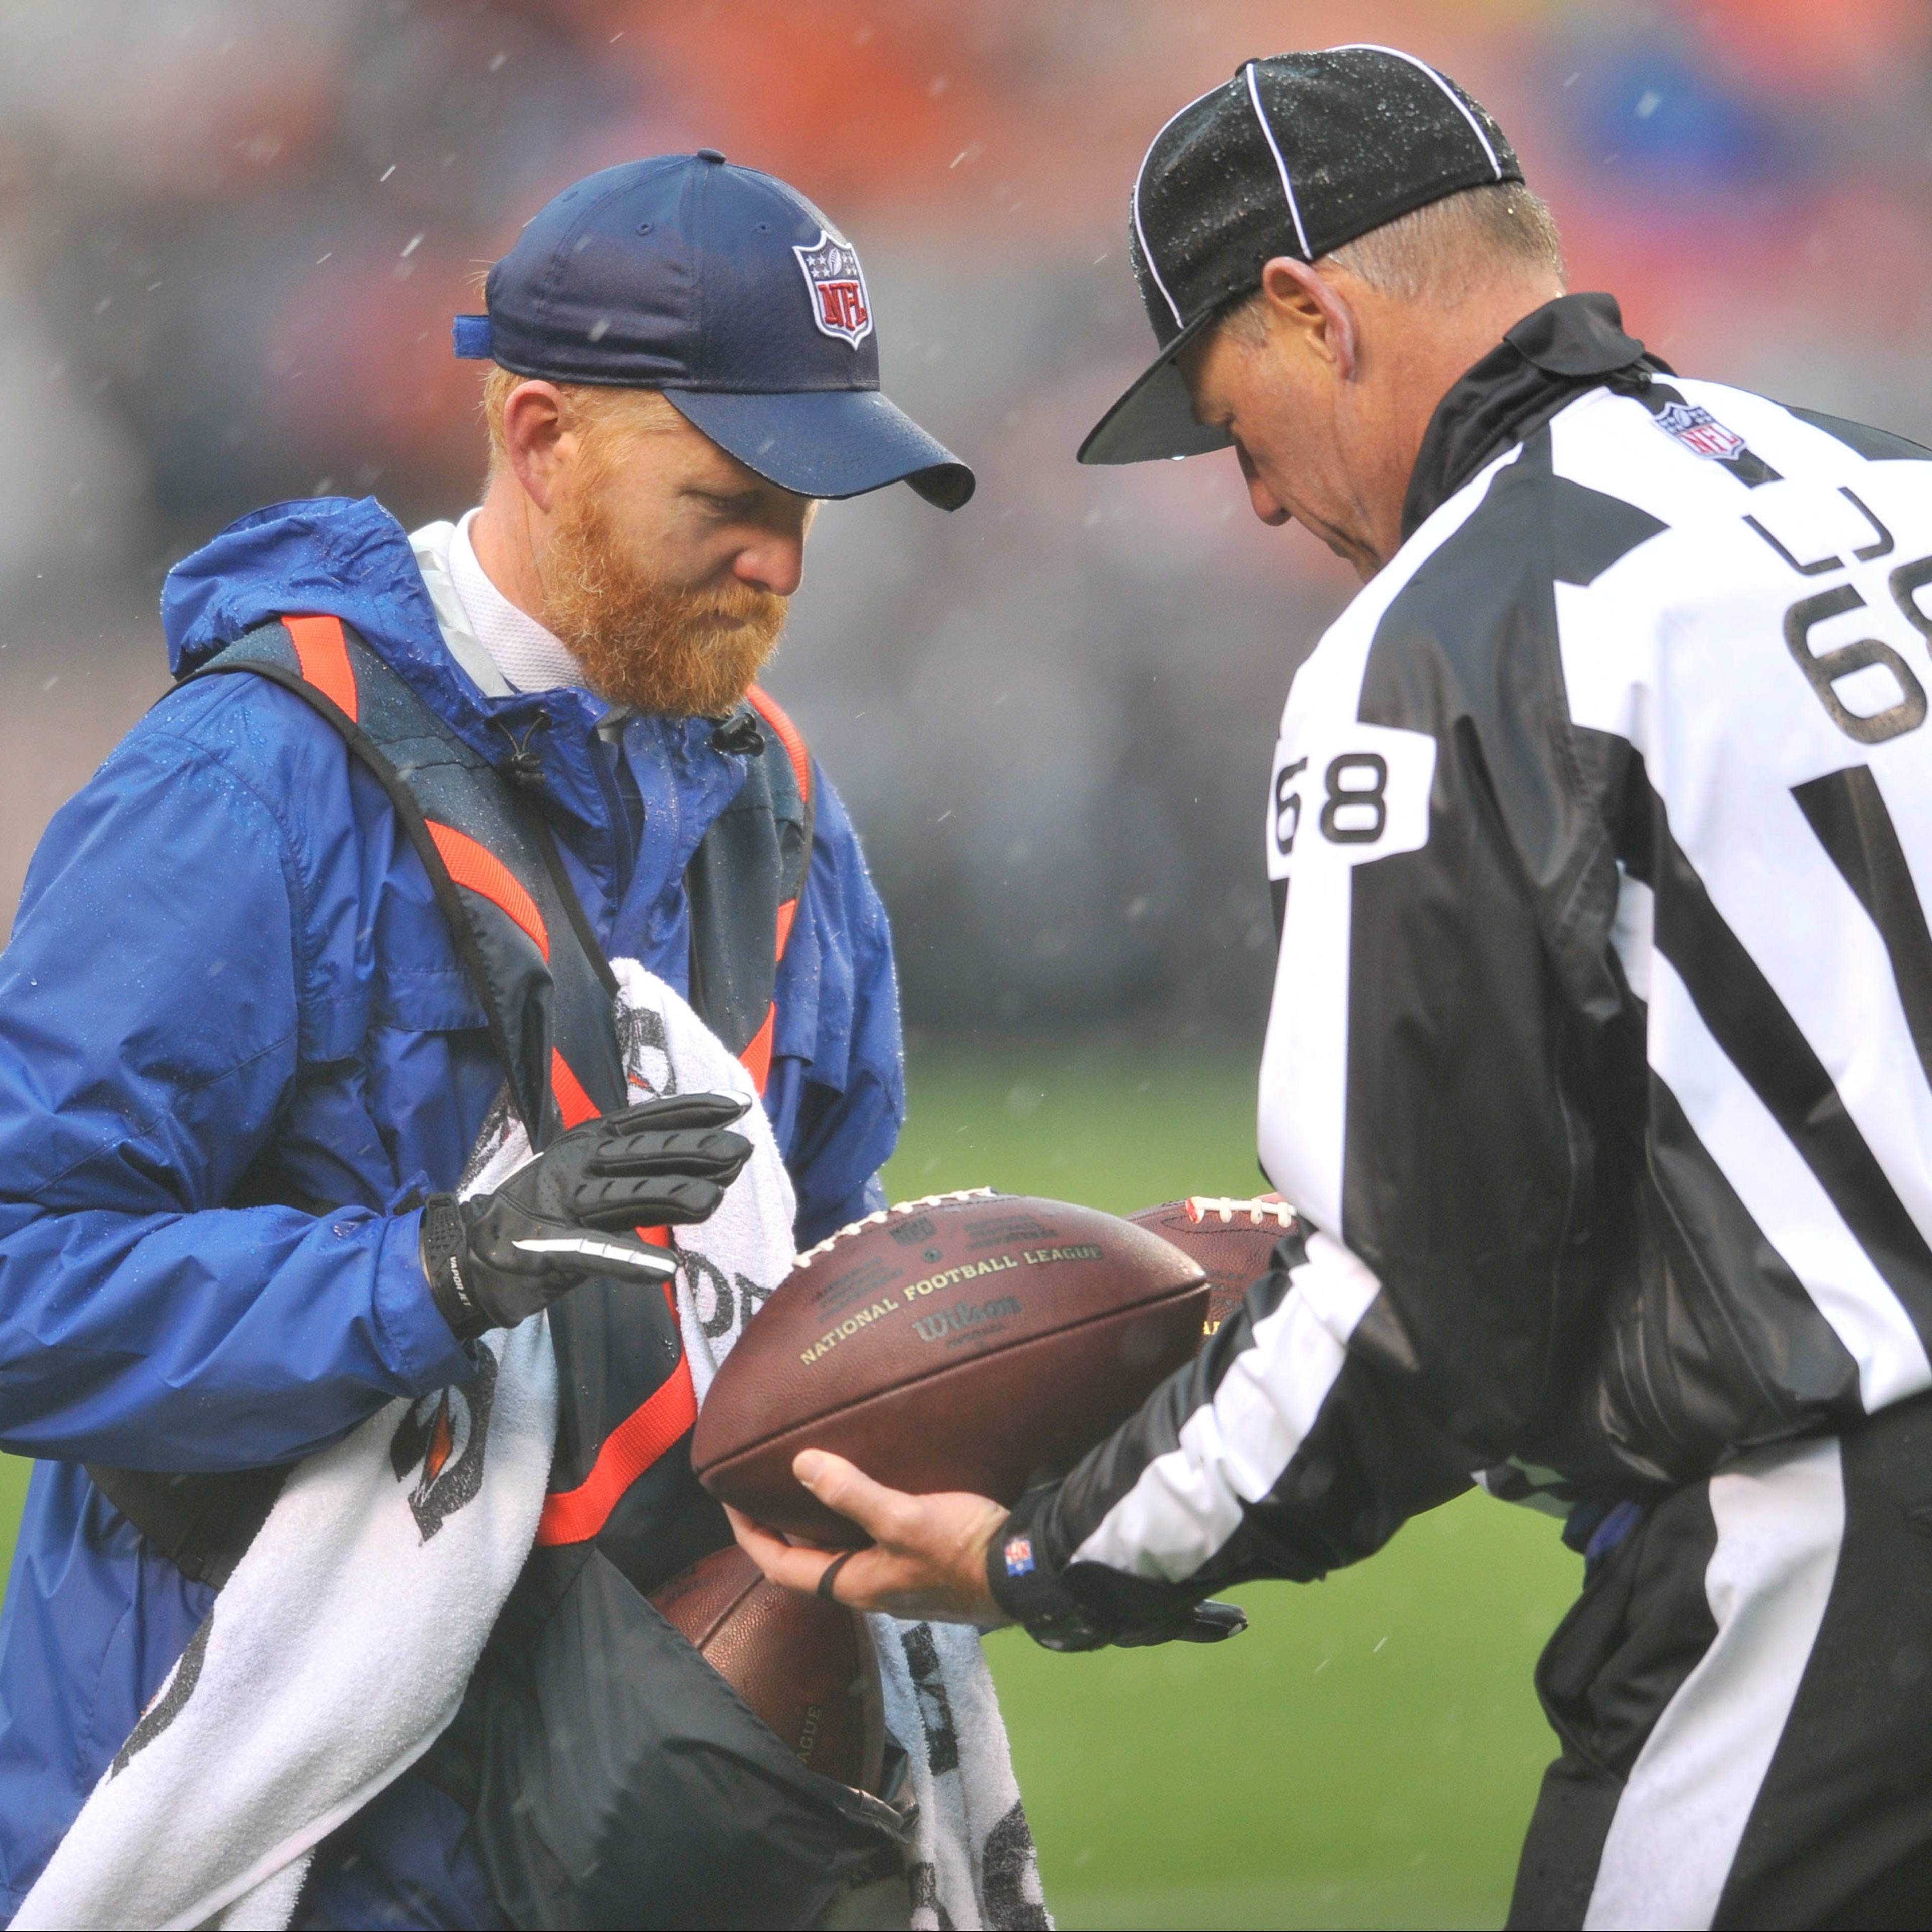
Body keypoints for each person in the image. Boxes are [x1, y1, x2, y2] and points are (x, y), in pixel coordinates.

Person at [733, 46, 1932, 1932]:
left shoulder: (1448, 639)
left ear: (1309, 308)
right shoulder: (1885, 476)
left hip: (1842, 1561)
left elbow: (1410, 1303)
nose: (1265, 507)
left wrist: (1048, 1551)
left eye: (1236, 425)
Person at [0, 153, 975, 1928]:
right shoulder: (246, 783)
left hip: (646, 1816)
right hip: (277, 1822)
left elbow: (825, 1256)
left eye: (817, 506)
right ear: (540, 438)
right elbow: (18, 1287)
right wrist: (435, 1273)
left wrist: (1033, 1440)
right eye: (732, 495)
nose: (780, 561)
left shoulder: (785, 801)